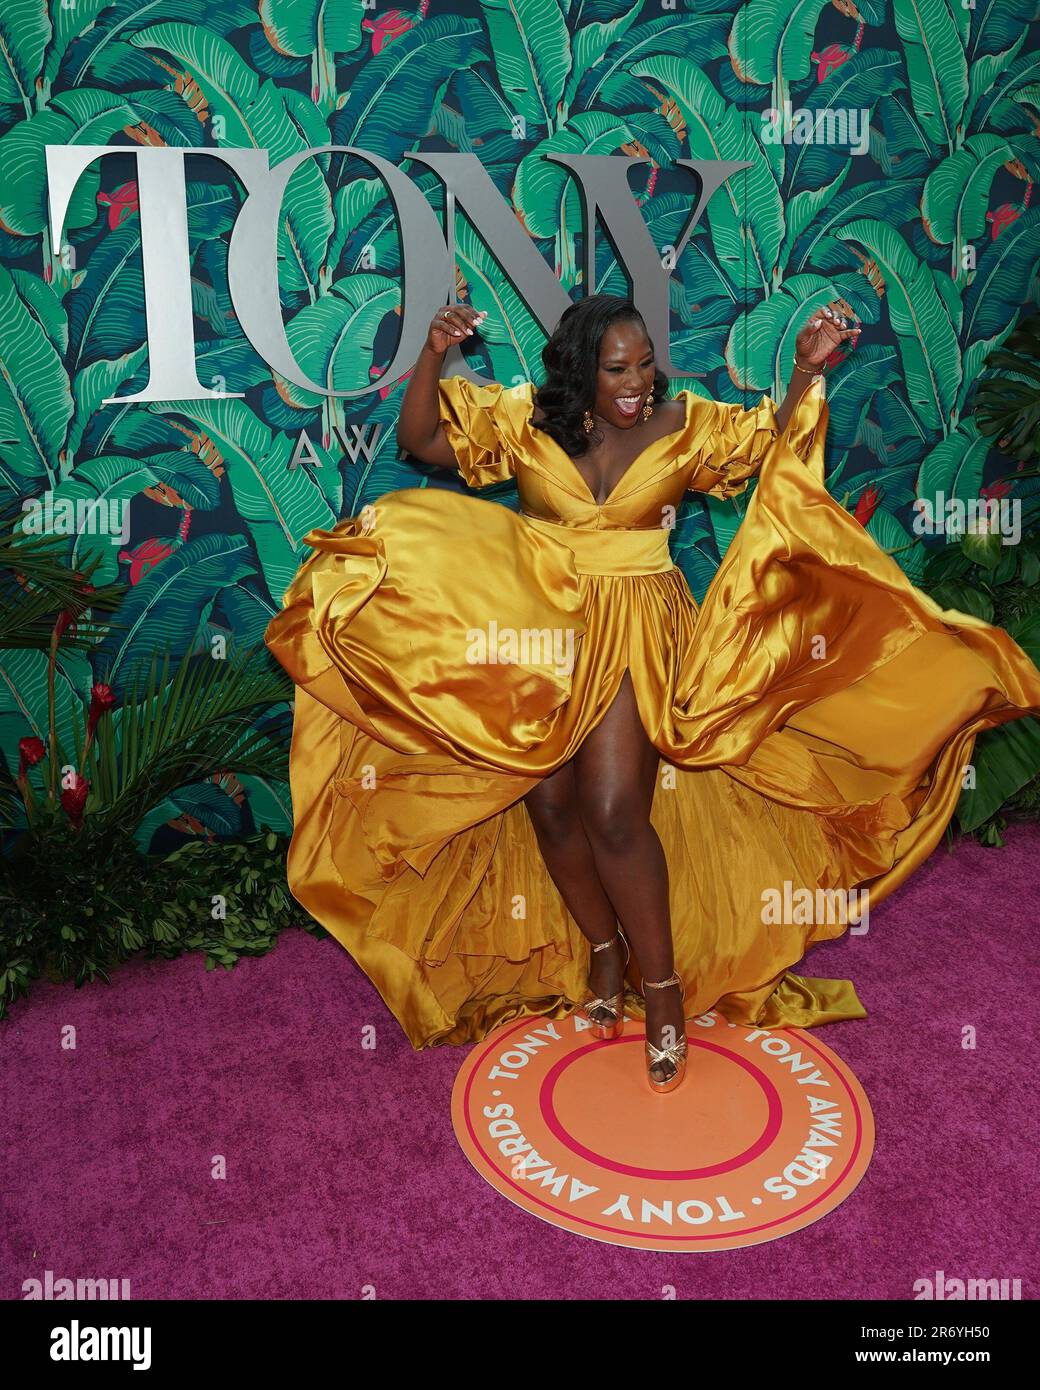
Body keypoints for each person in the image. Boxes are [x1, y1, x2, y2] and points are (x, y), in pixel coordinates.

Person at [264, 294, 1040, 1094]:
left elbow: (774, 446)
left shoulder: (684, 424)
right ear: (579, 370)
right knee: (549, 805)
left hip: (640, 632)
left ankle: (662, 991)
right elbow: (423, 440)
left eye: (643, 365)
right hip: (546, 637)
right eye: (616, 369)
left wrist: (807, 371)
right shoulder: (526, 419)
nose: (635, 382)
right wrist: (430, 352)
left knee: (611, 812)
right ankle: (604, 952)